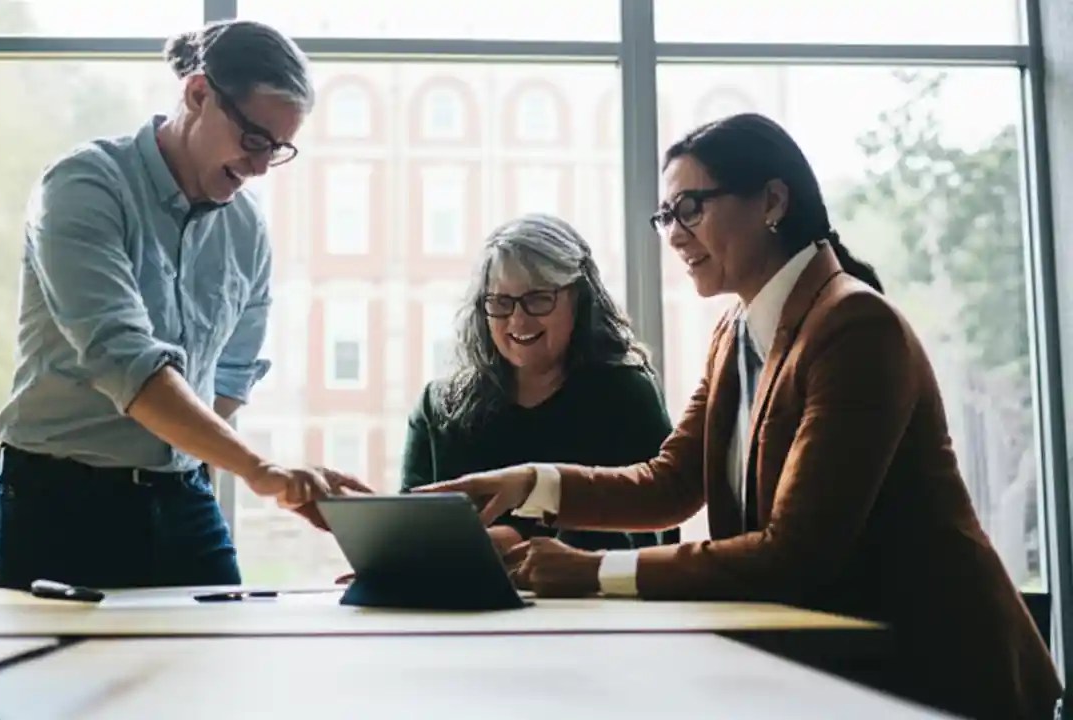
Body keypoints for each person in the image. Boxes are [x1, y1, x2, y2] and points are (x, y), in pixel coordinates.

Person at [417, 114, 1061, 718]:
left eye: (690, 209)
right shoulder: (738, 330)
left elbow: (797, 553)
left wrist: (593, 571)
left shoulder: (855, 327)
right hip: (846, 669)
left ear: (773, 203)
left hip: (939, 677)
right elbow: (671, 482)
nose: (673, 233)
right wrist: (530, 482)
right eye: (664, 215)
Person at [0, 20, 369, 592]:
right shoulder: (82, 187)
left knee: (222, 663)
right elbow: (127, 362)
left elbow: (233, 373)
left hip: (183, 495)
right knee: (56, 679)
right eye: (254, 140)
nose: (262, 167)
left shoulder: (246, 229)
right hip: (59, 499)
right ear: (197, 94)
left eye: (279, 149)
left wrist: (215, 454)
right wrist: (261, 470)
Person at [402, 214, 677, 555]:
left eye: (538, 299)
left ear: (579, 299)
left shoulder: (626, 395)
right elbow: (411, 533)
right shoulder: (439, 406)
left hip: (595, 606)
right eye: (501, 303)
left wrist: (518, 541)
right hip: (465, 605)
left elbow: (659, 529)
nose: (518, 320)